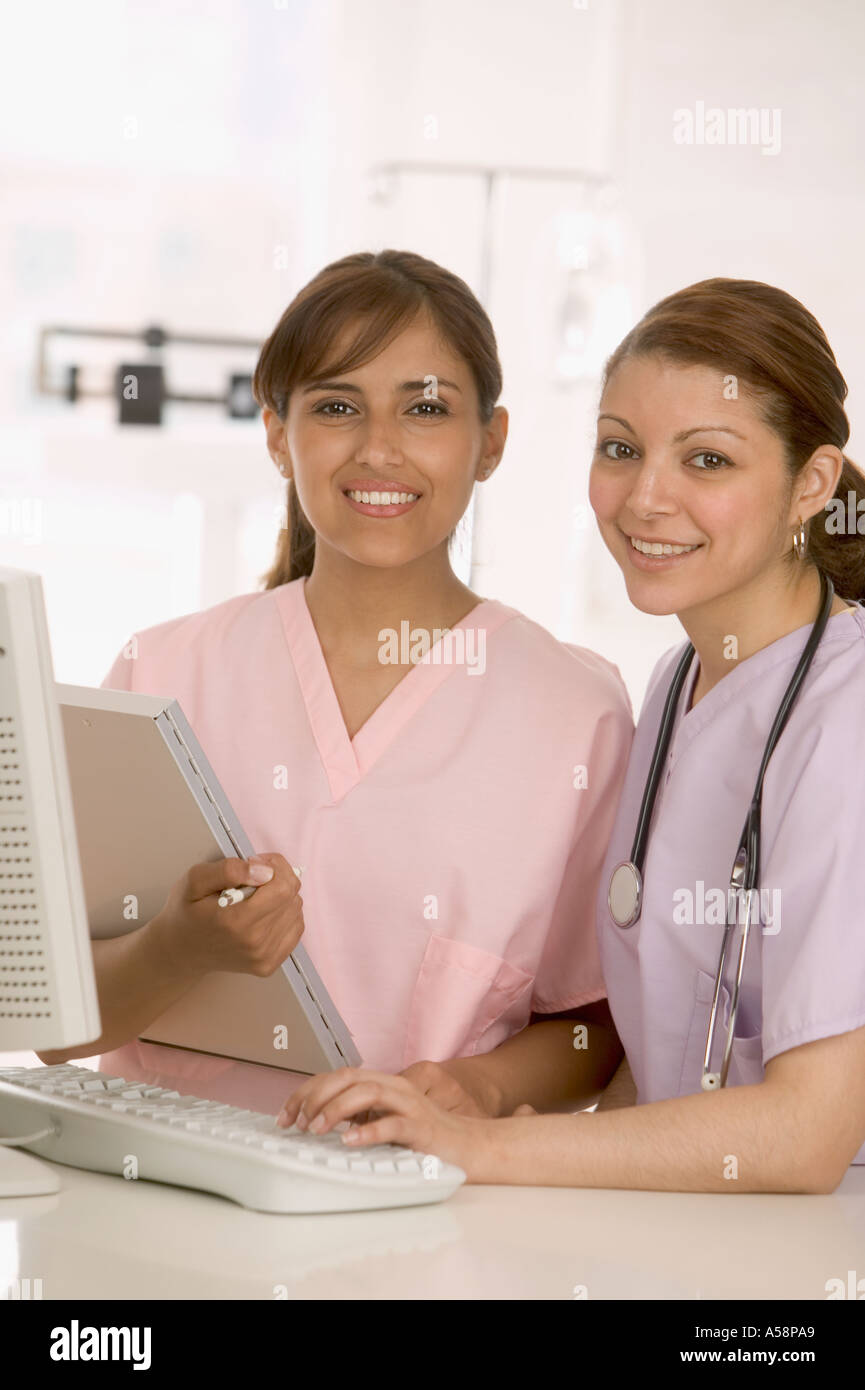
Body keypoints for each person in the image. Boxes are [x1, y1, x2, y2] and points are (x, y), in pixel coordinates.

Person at [279, 278, 865, 1194]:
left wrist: (478, 1149)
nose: (645, 499)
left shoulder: (846, 717)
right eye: (620, 450)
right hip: (700, 1232)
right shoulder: (676, 687)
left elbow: (807, 1132)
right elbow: (665, 1055)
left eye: (706, 462)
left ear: (812, 485)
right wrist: (469, 1099)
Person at [40, 249, 632, 1119]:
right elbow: (54, 1022)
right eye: (336, 407)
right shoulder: (158, 675)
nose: (380, 449)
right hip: (157, 1209)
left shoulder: (576, 715)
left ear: (490, 443)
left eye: (425, 408)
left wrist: (471, 1086)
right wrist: (174, 948)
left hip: (429, 1222)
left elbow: (595, 1028)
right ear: (278, 435)